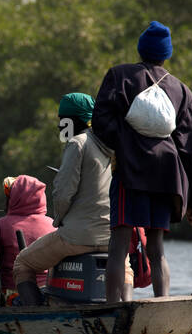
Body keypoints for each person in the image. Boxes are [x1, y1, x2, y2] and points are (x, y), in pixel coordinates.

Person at [92, 21, 192, 300]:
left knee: (118, 244)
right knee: (156, 248)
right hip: (167, 175)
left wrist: (125, 143)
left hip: (130, 172)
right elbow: (188, 150)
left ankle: (111, 308)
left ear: (141, 49)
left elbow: (100, 122)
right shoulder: (183, 91)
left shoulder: (119, 76)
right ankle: (162, 303)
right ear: (166, 54)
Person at [12, 93, 131, 304]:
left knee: (23, 264)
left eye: (62, 120)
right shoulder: (115, 143)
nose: (60, 126)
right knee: (126, 267)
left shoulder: (78, 143)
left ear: (70, 120)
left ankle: (38, 320)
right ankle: (127, 307)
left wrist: (59, 220)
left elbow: (63, 192)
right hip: (114, 236)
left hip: (78, 237)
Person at [0, 175, 53, 300]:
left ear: (16, 197)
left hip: (12, 295)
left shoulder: (2, 224)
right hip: (48, 293)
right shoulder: (53, 224)